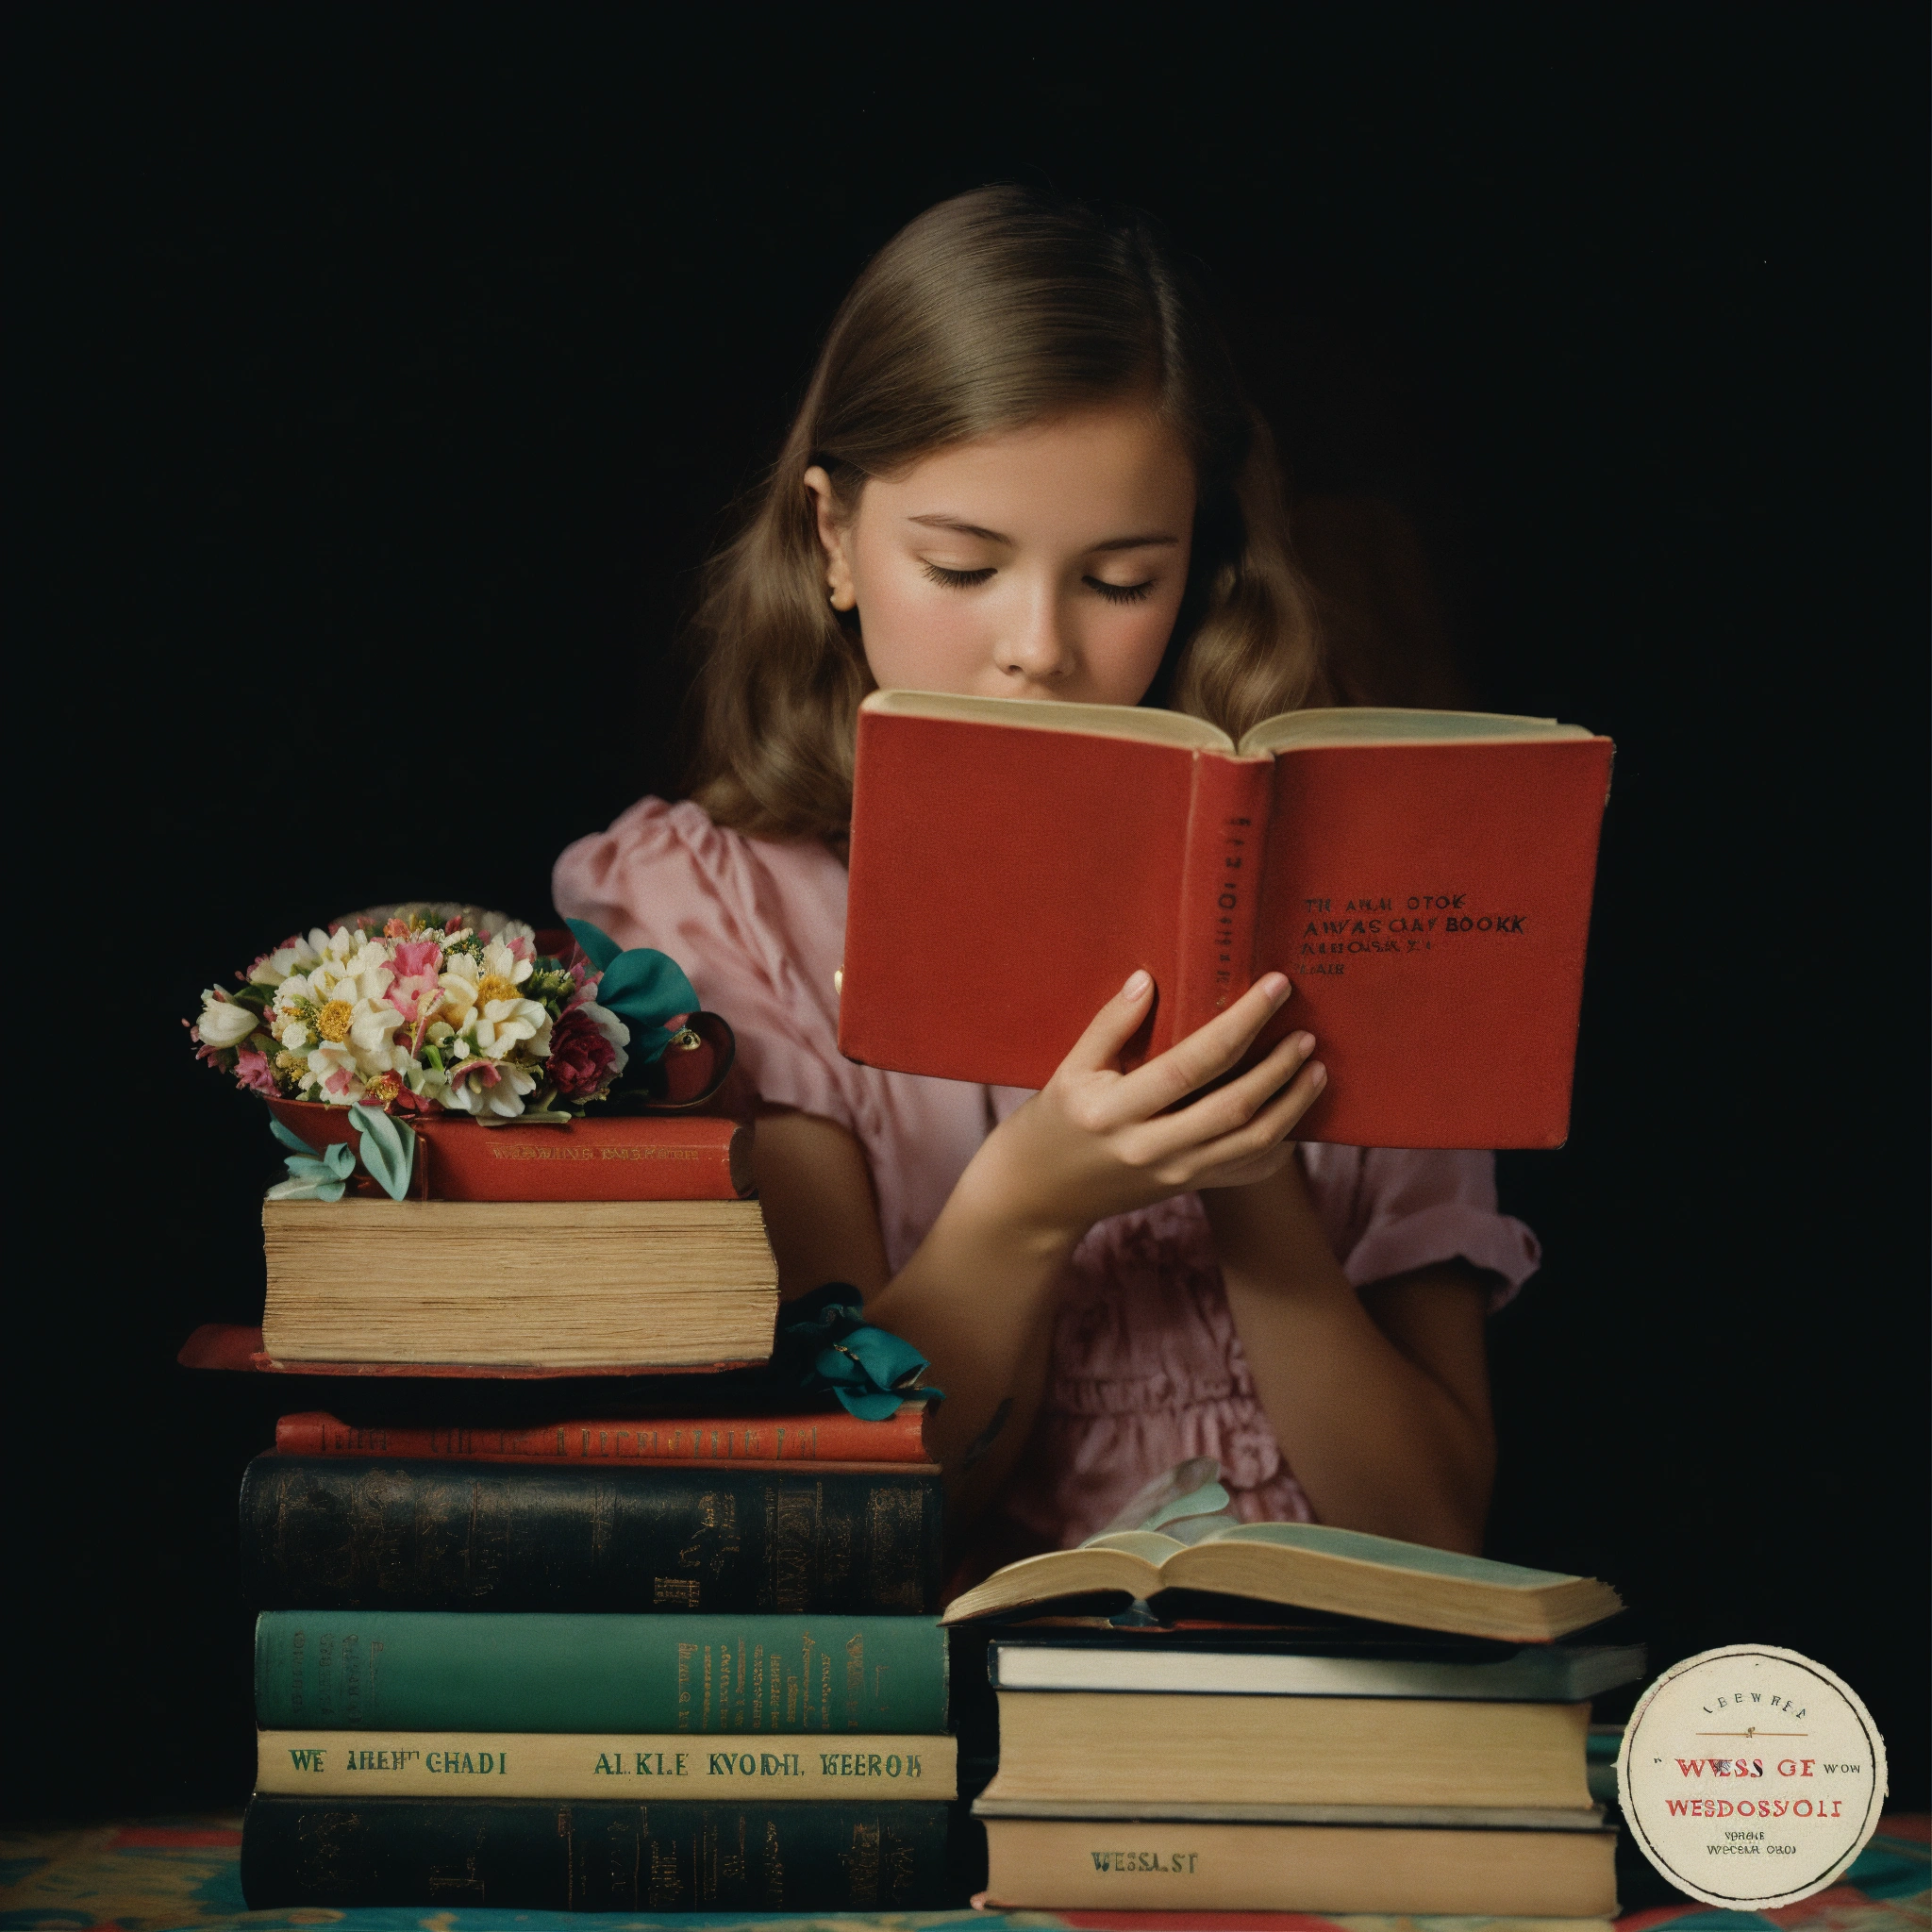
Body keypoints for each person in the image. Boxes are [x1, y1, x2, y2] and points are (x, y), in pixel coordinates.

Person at [554, 186, 1541, 1579]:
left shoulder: (1363, 891)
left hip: (1331, 1729)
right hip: (954, 1729)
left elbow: (1435, 1536)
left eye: (1122, 580)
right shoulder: (723, 917)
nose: (1037, 648)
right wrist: (1028, 1199)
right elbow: (855, 1521)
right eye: (961, 566)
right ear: (831, 537)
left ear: (1199, 565)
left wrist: (1246, 1174)